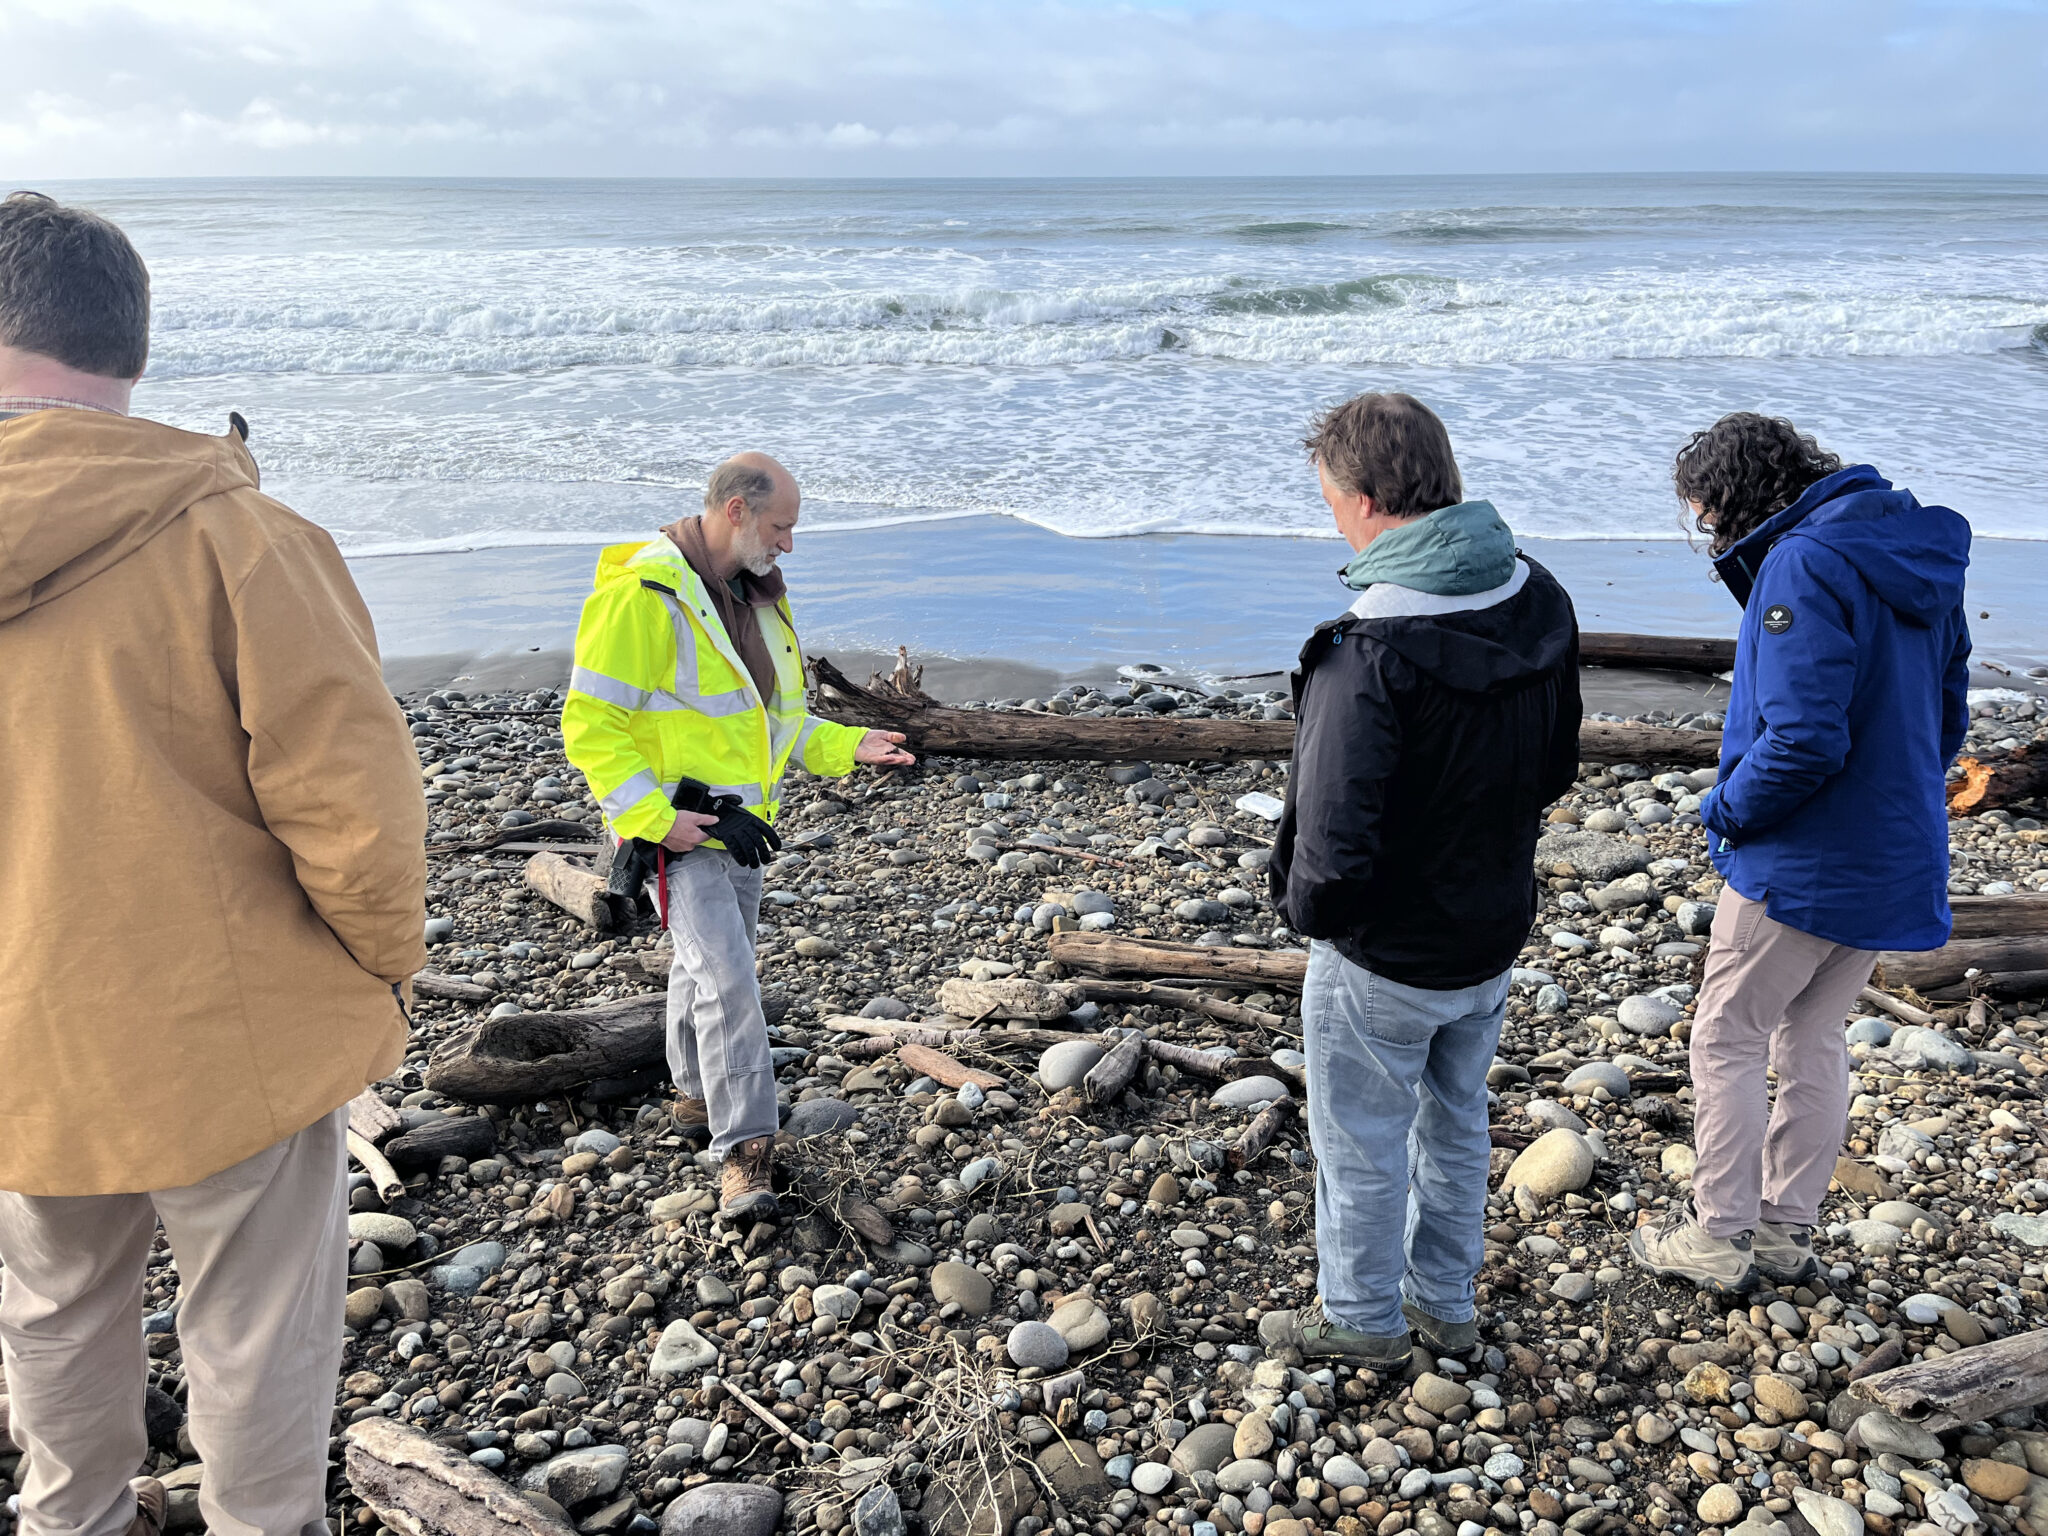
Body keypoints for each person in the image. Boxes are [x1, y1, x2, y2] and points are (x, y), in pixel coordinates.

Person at [0, 192, 427, 1536]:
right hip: (229, 1032)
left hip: (23, 1029)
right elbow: (360, 812)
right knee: (254, 1332)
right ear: (126, 350)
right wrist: (380, 978)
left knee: (56, 1309)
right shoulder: (244, 543)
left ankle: (70, 1517)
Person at [1261, 392, 1582, 1367]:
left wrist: (1303, 913)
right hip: (1488, 924)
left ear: (1359, 501)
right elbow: (1556, 767)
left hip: (1385, 951)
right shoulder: (1537, 595)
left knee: (1361, 1141)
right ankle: (1443, 1302)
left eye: (1327, 498)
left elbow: (1332, 849)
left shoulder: (1363, 652)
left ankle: (1358, 1320)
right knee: (1454, 1123)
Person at [1629, 414, 1971, 1294]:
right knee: (1813, 1036)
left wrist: (1725, 811)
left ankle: (1721, 1234)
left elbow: (1803, 742)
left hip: (1805, 856)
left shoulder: (1802, 563)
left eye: (1707, 519)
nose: (1710, 536)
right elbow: (1946, 716)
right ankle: (1784, 1233)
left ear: (1735, 502)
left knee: (1727, 1035)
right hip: (1893, 845)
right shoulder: (1913, 556)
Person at [561, 455, 913, 1222]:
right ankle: (747, 1153)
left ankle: (693, 1093)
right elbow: (590, 727)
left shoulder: (754, 597)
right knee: (728, 981)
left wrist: (846, 747)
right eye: (781, 526)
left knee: (711, 970)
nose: (789, 544)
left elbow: (773, 724)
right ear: (735, 512)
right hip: (676, 831)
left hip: (744, 826)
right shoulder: (644, 596)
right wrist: (656, 821)